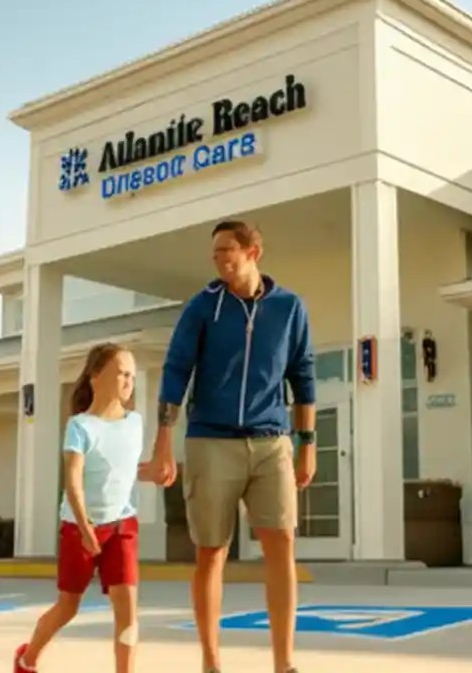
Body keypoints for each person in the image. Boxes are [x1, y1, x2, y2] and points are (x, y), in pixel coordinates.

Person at [145, 220, 316, 673]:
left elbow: (303, 376)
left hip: (271, 441)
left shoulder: (289, 308)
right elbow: (176, 372)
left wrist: (308, 444)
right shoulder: (203, 307)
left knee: (281, 544)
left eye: (227, 249)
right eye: (215, 251)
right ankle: (211, 662)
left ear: (253, 251)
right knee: (212, 551)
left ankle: (284, 663)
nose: (218, 258)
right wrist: (164, 443)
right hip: (211, 440)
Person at [14, 342, 152, 673]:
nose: (128, 381)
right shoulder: (80, 426)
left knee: (127, 609)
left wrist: (156, 471)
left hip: (122, 526)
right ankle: (27, 659)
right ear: (95, 376)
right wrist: (85, 526)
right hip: (79, 527)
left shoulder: (135, 423)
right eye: (121, 373)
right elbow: (73, 481)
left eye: (132, 376)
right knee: (68, 606)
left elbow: (124, 470)